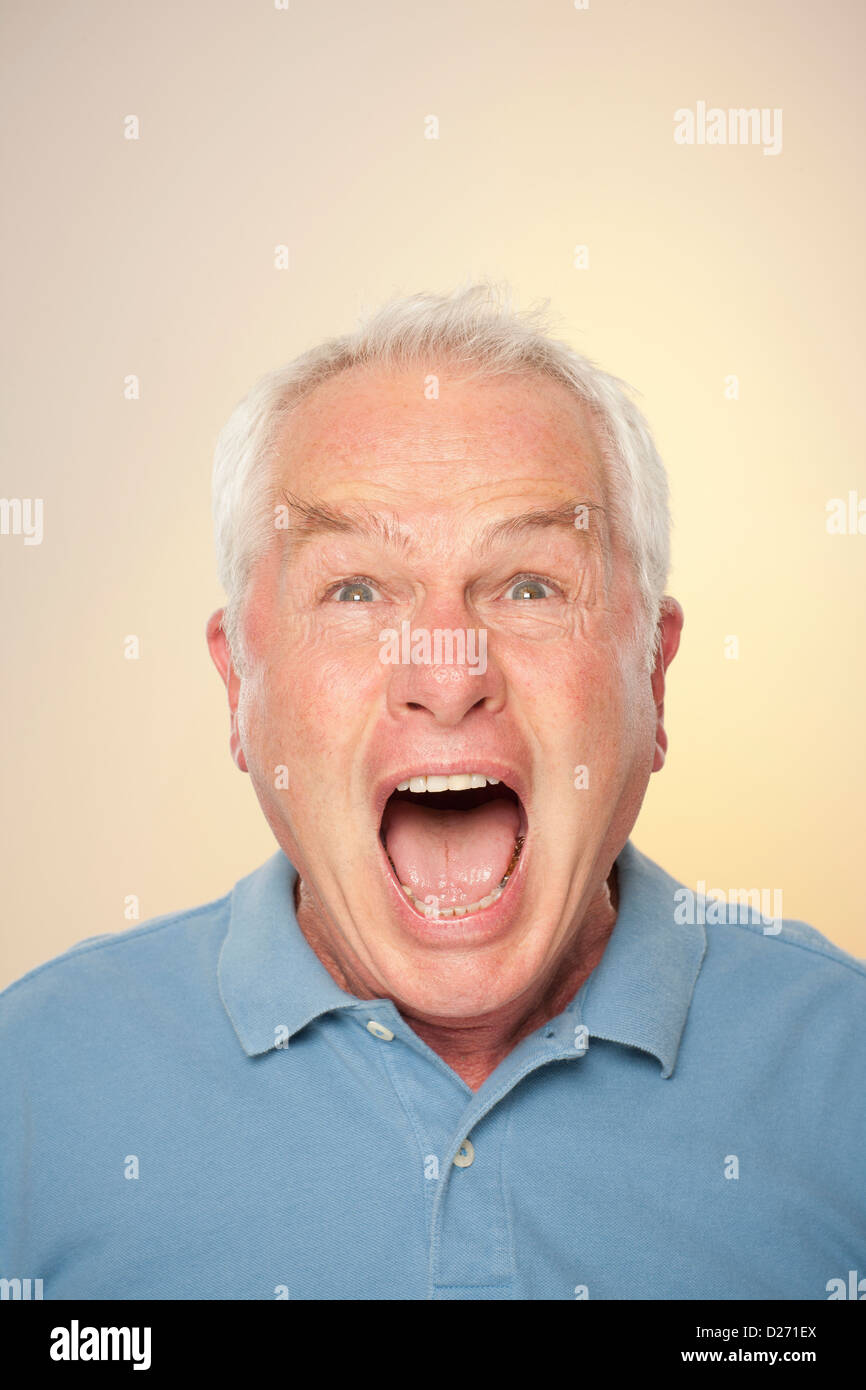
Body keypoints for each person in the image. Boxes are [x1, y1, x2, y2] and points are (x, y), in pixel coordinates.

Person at [1, 284, 863, 1301]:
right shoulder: (34, 1088)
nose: (448, 673)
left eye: (530, 586)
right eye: (355, 590)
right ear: (239, 686)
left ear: (652, 674)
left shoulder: (841, 1074)